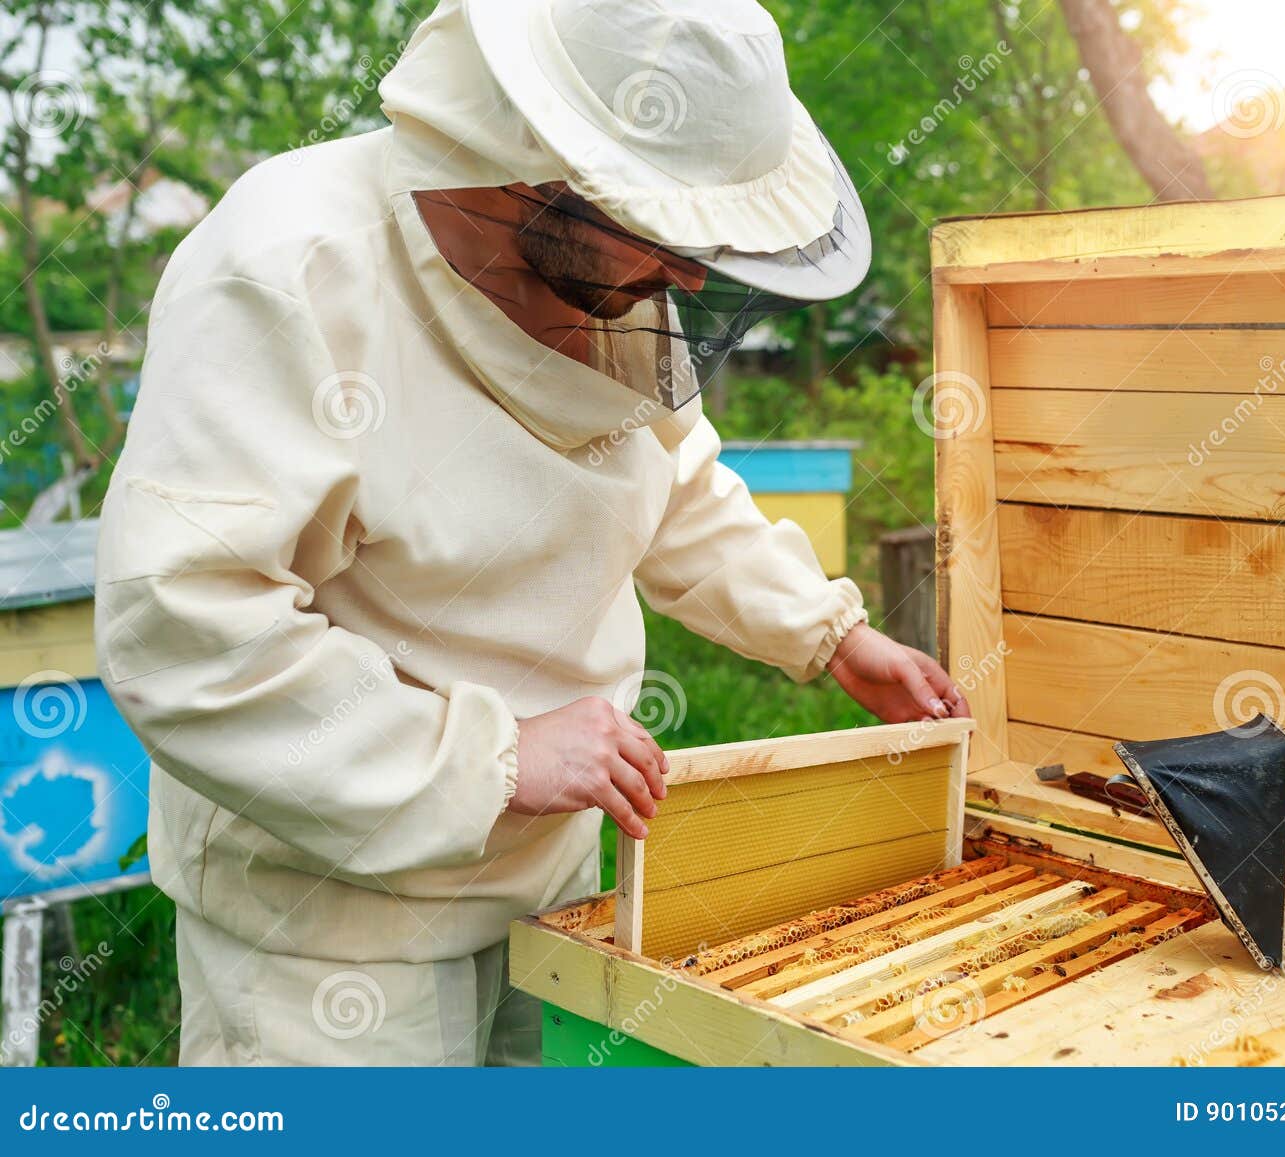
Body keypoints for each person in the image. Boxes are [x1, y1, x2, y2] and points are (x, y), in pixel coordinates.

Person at [95, 0, 970, 1066]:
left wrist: (828, 633)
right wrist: (494, 759)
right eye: (661, 238)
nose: (689, 277)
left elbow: (670, 475)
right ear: (527, 172)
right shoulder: (288, 267)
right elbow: (185, 622)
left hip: (554, 877)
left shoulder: (609, 272)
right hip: (326, 920)